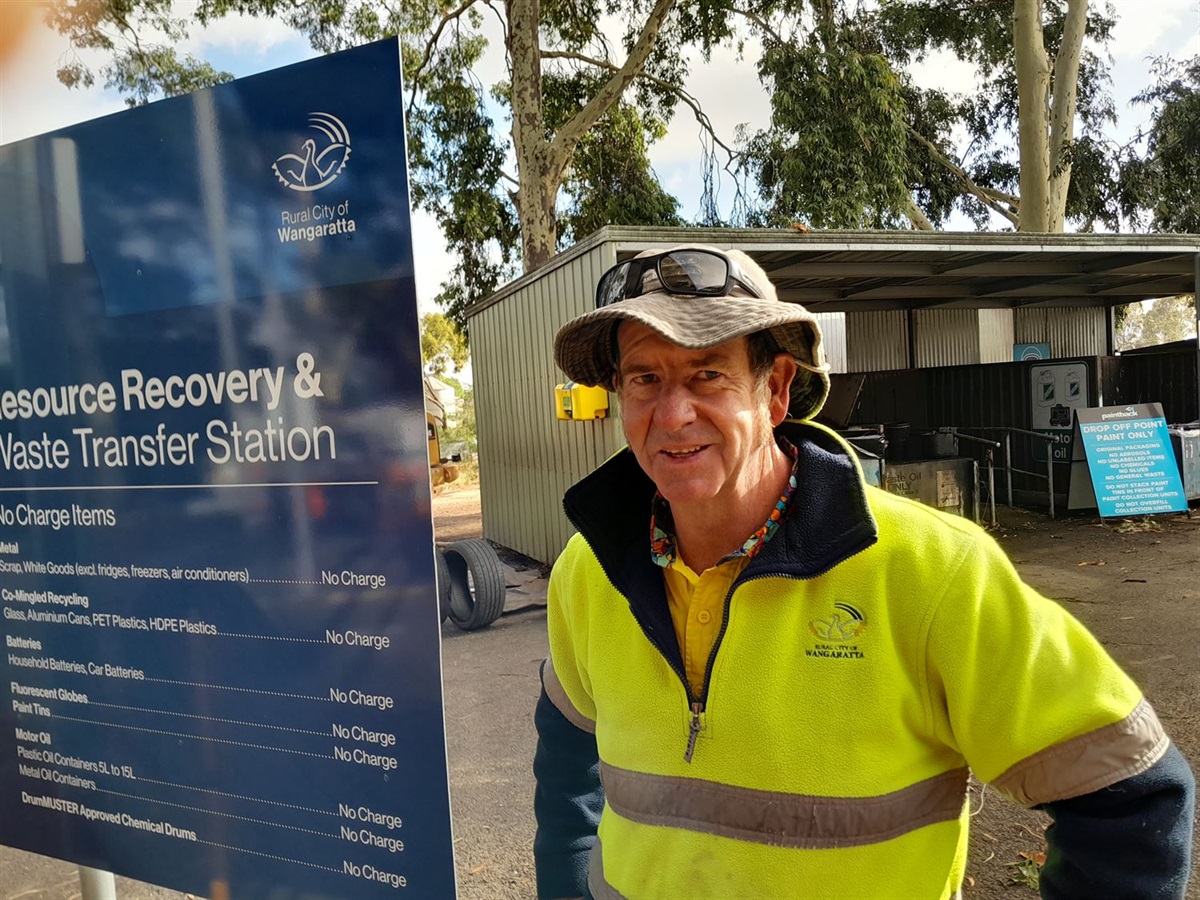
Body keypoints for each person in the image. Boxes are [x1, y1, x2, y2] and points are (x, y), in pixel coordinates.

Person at [532, 245, 1195, 899]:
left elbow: (1132, 796)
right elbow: (568, 773)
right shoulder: (588, 571)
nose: (672, 414)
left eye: (708, 374)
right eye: (644, 378)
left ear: (776, 389)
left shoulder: (932, 572)